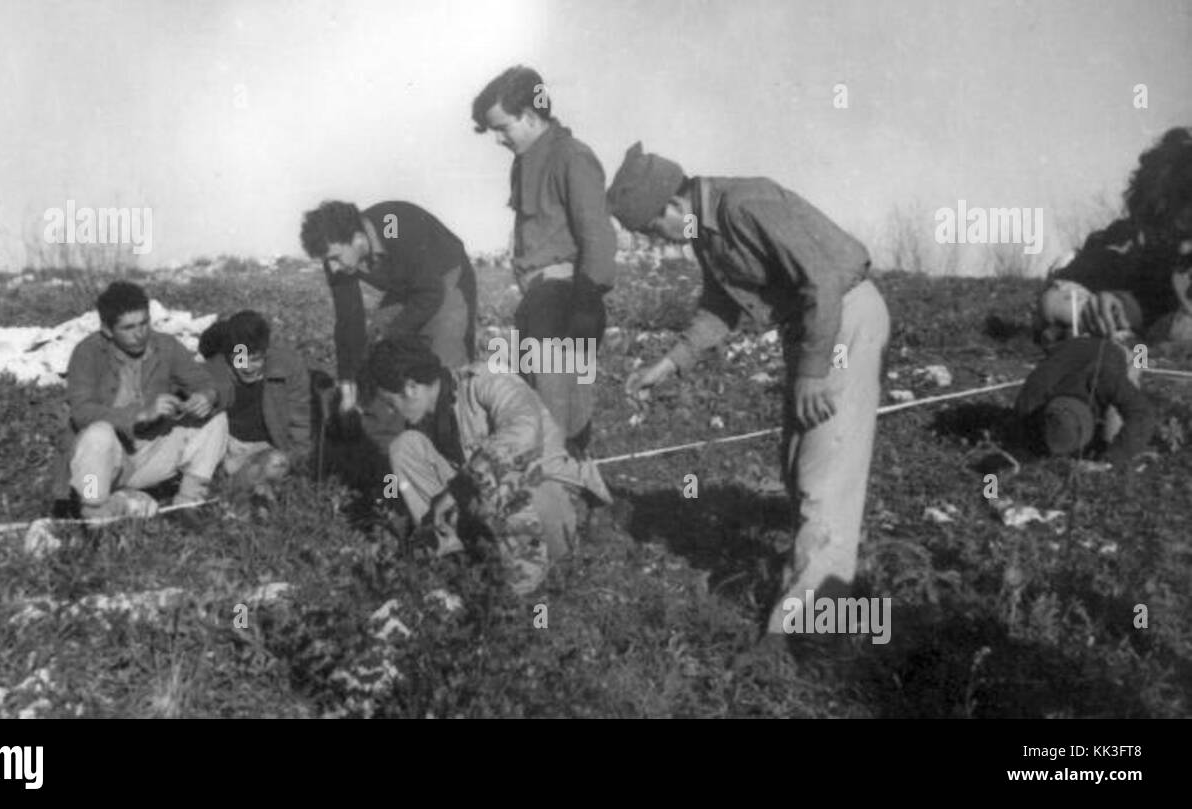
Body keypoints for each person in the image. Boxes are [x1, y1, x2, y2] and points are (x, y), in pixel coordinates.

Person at [611, 143, 890, 656]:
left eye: (653, 230)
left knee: (825, 474)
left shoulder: (745, 204)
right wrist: (670, 362)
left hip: (842, 320)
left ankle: (799, 636)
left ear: (674, 207)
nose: (658, 244)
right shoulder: (705, 229)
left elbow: (824, 280)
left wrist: (812, 372)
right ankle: (822, 596)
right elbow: (722, 305)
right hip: (813, 330)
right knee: (800, 466)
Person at [364, 336, 612, 595]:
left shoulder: (488, 379)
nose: (393, 413)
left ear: (411, 387)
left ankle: (522, 591)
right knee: (405, 447)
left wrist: (460, 486)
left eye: (391, 404)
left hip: (548, 498)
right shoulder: (429, 414)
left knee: (497, 477)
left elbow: (522, 434)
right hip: (495, 510)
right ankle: (453, 558)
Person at [472, 65, 617, 457]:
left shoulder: (572, 157)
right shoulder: (526, 160)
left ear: (531, 116)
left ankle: (566, 502)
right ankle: (557, 496)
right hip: (540, 306)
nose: (499, 139)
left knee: (560, 417)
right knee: (542, 407)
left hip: (566, 305)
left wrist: (583, 312)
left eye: (503, 128)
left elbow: (598, 239)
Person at [300, 199, 478, 479]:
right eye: (327, 262)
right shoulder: (337, 254)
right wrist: (348, 382)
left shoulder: (392, 226)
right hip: (407, 287)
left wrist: (394, 335)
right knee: (377, 356)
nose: (332, 268)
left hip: (443, 276)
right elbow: (349, 321)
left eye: (335, 258)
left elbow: (431, 292)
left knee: (441, 364)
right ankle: (389, 456)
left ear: (358, 239)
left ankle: (462, 455)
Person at [49, 281, 226, 520]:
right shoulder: (87, 352)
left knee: (216, 421)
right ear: (108, 330)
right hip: (105, 463)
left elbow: (206, 381)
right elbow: (82, 413)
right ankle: (91, 509)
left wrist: (206, 395)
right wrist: (140, 414)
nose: (140, 333)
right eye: (128, 327)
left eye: (144, 323)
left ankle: (187, 504)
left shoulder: (166, 345)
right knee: (98, 434)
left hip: (151, 453)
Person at [1038, 127, 1192, 342]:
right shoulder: (1128, 251)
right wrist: (1088, 311)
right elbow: (1056, 300)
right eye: (1172, 234)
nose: (1184, 248)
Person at [200, 310, 313, 517]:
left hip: (265, 448)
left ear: (266, 351)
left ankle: (243, 494)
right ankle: (235, 494)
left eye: (257, 359)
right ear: (230, 353)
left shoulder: (288, 366)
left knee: (276, 463)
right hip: (227, 448)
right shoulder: (216, 369)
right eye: (241, 359)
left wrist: (296, 459)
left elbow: (300, 421)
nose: (250, 368)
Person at [1014, 336, 1156, 468]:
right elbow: (1023, 416)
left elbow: (1142, 412)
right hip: (1070, 345)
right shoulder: (1035, 391)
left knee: (1112, 427)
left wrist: (1111, 461)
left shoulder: (1106, 379)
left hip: (1114, 350)